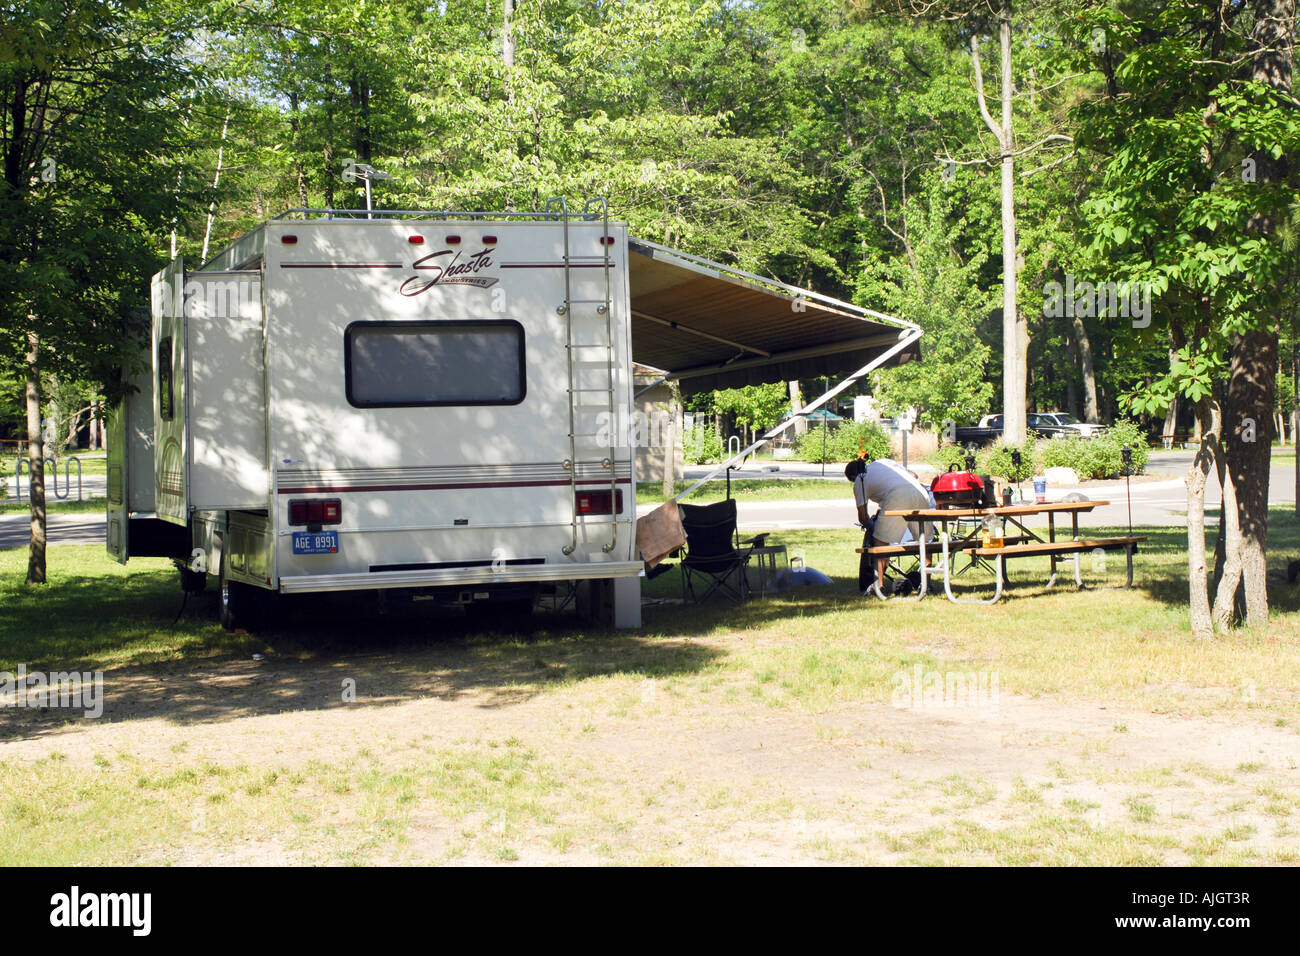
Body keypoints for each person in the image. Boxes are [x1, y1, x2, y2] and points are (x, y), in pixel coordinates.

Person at [845, 456, 933, 595]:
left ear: (852, 476)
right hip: (920, 492)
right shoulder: (884, 462)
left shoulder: (859, 480)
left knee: (881, 541)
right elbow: (914, 475)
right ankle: (927, 584)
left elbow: (862, 517)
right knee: (925, 541)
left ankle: (879, 586)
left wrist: (872, 525)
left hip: (897, 496)